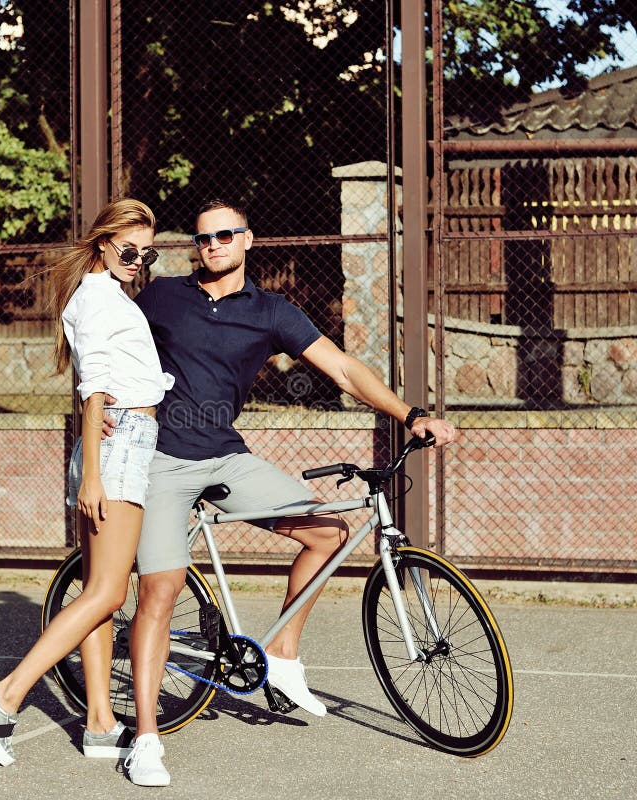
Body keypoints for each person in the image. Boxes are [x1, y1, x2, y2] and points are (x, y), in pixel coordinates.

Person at [105, 198, 457, 786]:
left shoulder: (271, 311)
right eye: (203, 238)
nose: (213, 245)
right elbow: (108, 343)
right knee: (160, 592)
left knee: (328, 532)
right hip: (165, 458)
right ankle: (145, 740)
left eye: (225, 235)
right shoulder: (163, 296)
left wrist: (410, 414)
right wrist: (104, 407)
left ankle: (283, 655)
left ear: (248, 240)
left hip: (226, 455)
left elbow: (342, 369)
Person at [0, 198, 174, 780]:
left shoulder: (108, 295)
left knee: (96, 590)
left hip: (121, 440)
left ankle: (100, 722)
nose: (138, 261)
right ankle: (5, 695)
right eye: (129, 249)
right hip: (120, 445)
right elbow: (94, 388)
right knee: (107, 593)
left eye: (147, 253)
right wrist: (95, 475)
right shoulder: (97, 299)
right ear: (104, 243)